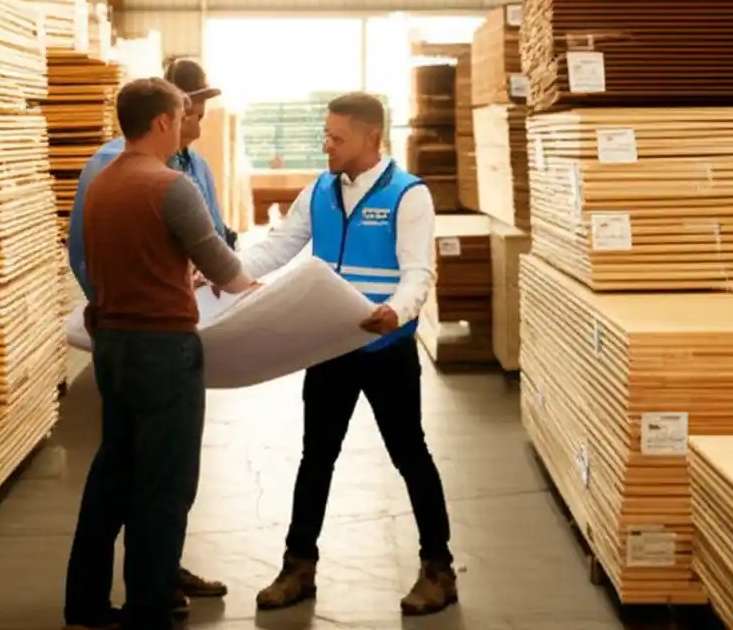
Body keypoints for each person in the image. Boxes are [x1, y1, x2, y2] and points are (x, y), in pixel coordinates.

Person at [236, 92, 457, 617]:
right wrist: (223, 272)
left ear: (369, 137)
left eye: (336, 137)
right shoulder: (319, 191)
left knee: (410, 455)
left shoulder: (409, 195)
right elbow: (276, 248)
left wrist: (397, 312)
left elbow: (418, 273)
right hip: (331, 346)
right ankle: (298, 566)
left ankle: (438, 569)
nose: (326, 144)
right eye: (325, 135)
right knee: (317, 456)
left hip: (385, 348)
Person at [63, 77, 254, 630]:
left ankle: (86, 606)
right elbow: (222, 263)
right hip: (164, 352)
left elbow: (120, 258)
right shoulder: (171, 185)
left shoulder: (101, 183)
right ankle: (148, 609)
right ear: (165, 122)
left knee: (112, 479)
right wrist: (254, 289)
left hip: (113, 346)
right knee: (165, 486)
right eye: (185, 116)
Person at [68, 58, 237, 302]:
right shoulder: (105, 167)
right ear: (164, 119)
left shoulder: (197, 167)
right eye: (190, 119)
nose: (197, 133)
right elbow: (83, 254)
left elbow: (217, 245)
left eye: (201, 118)